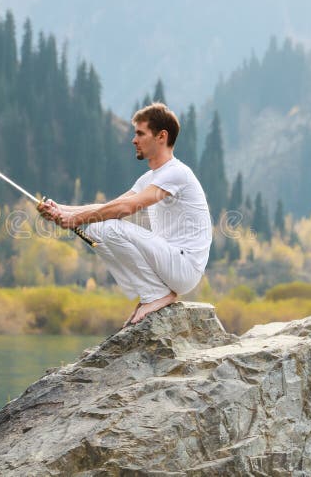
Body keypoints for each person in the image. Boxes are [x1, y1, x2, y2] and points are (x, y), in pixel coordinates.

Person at [38, 102, 212, 325]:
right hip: (170, 262)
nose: (134, 140)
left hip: (184, 266)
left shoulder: (176, 173)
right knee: (98, 228)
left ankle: (157, 295)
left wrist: (75, 219)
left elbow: (126, 209)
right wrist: (60, 210)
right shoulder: (149, 178)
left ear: (161, 137)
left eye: (140, 133)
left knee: (109, 227)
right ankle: (154, 293)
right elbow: (115, 204)